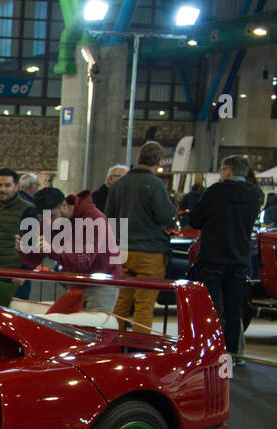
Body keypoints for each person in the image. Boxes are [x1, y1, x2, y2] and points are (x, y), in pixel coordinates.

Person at [189, 155, 264, 358]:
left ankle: (210, 354)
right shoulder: (256, 195)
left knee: (211, 311)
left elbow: (195, 220)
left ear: (227, 170)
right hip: (239, 259)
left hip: (212, 257)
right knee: (234, 311)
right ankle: (232, 356)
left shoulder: (215, 192)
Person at [106, 141, 177, 334]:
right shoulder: (155, 184)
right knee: (144, 304)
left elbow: (110, 219)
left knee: (121, 302)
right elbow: (166, 216)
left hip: (122, 250)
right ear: (158, 161)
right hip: (149, 252)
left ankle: (114, 341)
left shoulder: (118, 185)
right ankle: (139, 349)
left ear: (139, 158)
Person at [19, 186, 122, 314]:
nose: (49, 222)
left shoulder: (94, 218)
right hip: (75, 282)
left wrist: (51, 250)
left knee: (97, 329)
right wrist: (24, 250)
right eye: (43, 217)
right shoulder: (48, 219)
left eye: (52, 216)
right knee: (74, 329)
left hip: (101, 284)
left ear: (64, 205)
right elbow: (34, 260)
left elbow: (84, 260)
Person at [0, 167, 36, 306]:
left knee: (15, 319)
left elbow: (32, 244)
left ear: (16, 187)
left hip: (15, 278)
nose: (2, 189)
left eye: (7, 185)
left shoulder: (27, 210)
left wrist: (25, 272)